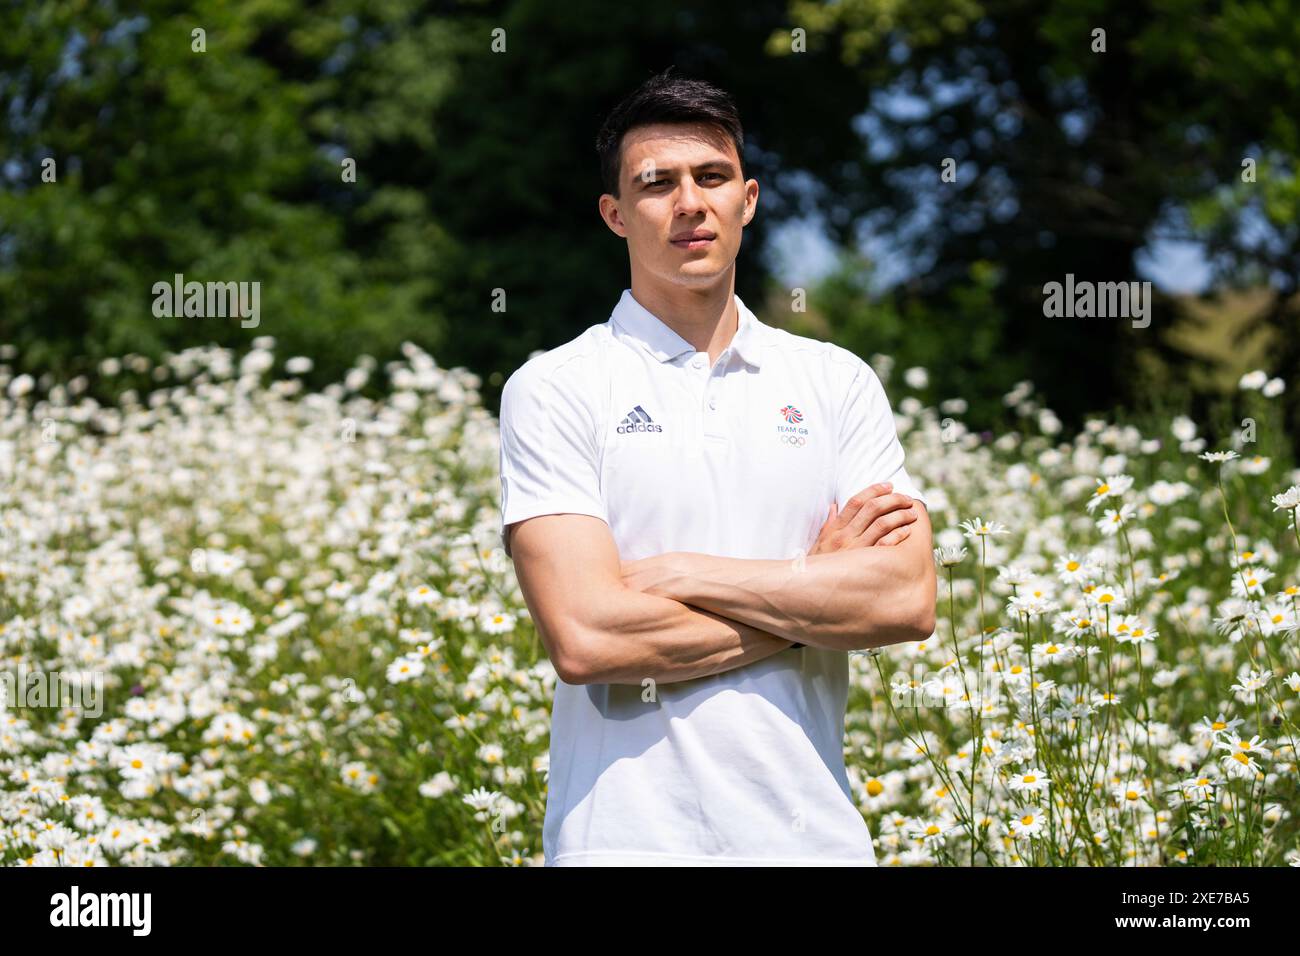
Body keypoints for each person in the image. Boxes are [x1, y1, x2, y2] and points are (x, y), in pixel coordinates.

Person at [497, 66, 937, 866]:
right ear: (615, 215)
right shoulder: (556, 386)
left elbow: (905, 600)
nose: (689, 203)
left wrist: (682, 573)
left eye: (712, 177)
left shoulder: (836, 382)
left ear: (750, 199)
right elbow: (589, 638)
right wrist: (812, 590)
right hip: (621, 845)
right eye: (656, 184)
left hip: (815, 842)